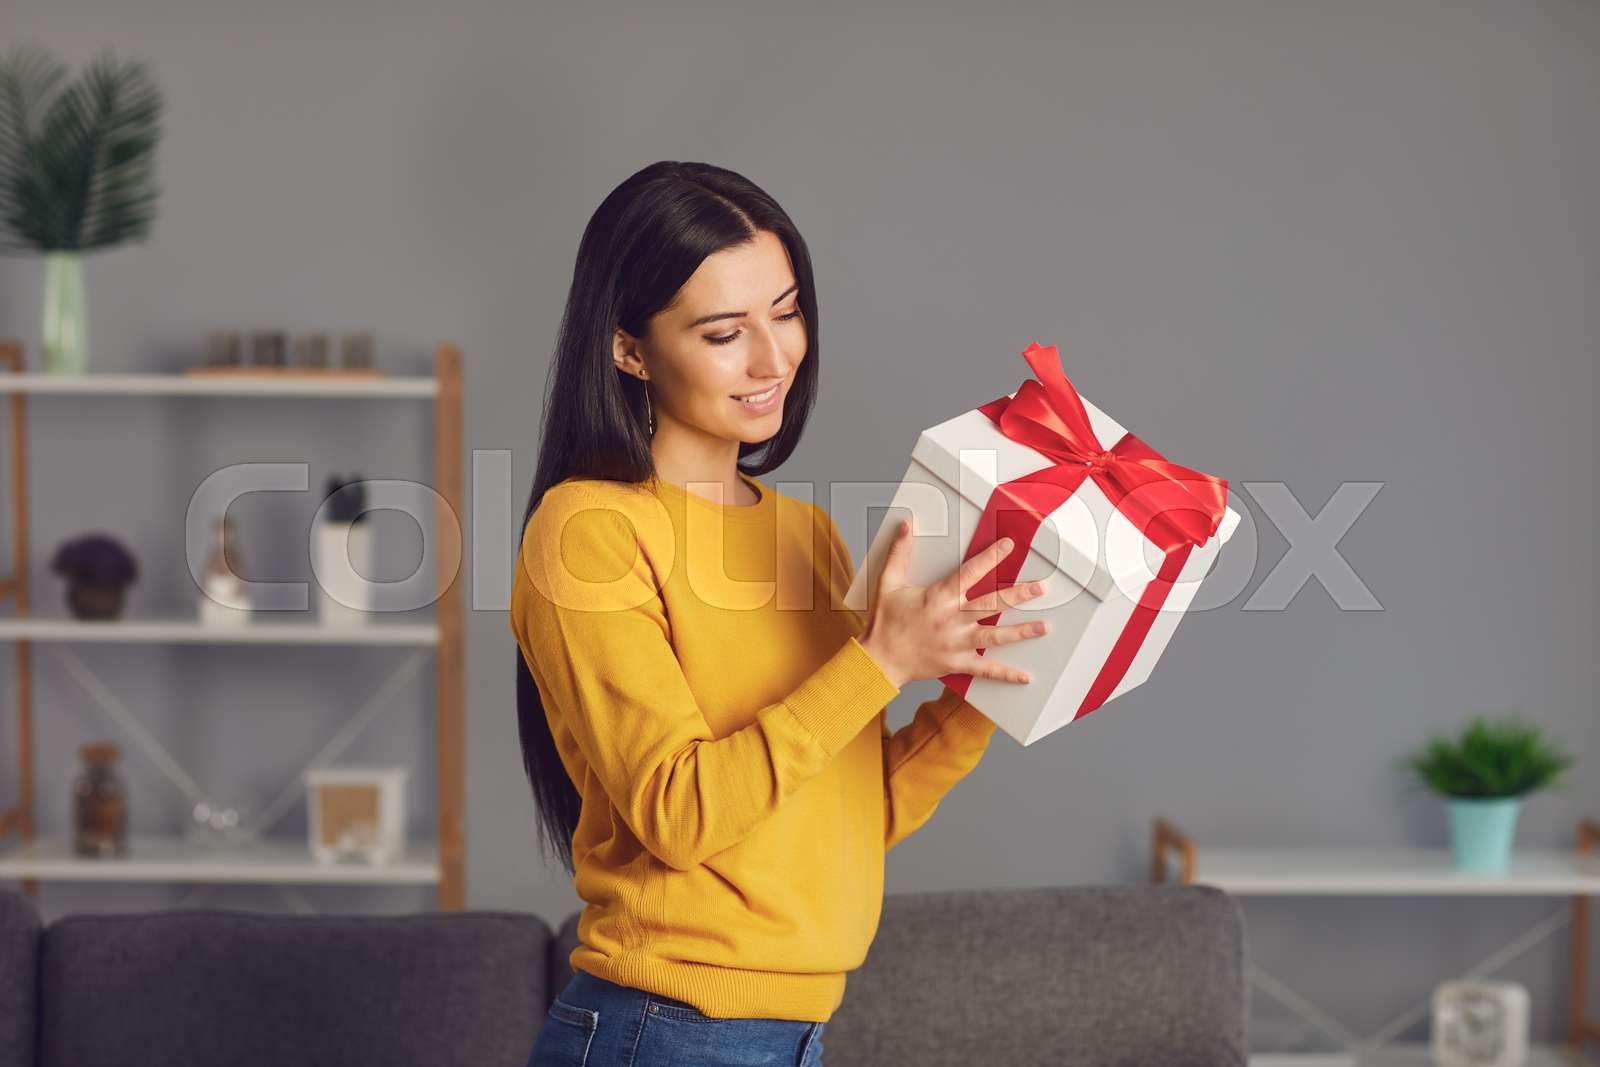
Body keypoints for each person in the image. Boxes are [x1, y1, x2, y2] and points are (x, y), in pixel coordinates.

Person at [510, 161, 1051, 1067]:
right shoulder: (590, 530)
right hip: (665, 1029)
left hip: (790, 1035)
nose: (773, 360)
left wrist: (977, 687)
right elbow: (680, 814)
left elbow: (844, 813)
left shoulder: (807, 535)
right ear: (629, 349)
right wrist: (880, 662)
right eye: (724, 333)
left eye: (787, 311)